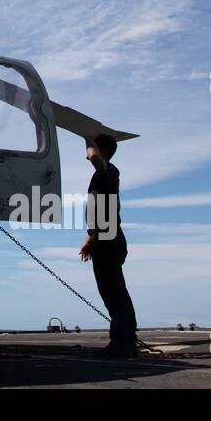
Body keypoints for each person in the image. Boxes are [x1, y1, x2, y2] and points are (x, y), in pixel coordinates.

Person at [79, 133, 139, 358]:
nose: (86, 155)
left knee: (113, 292)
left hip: (108, 241)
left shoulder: (108, 171)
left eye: (91, 149)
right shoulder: (104, 175)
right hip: (105, 240)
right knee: (115, 291)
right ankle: (126, 339)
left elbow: (94, 157)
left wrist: (85, 134)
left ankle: (123, 342)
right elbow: (100, 213)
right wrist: (88, 241)